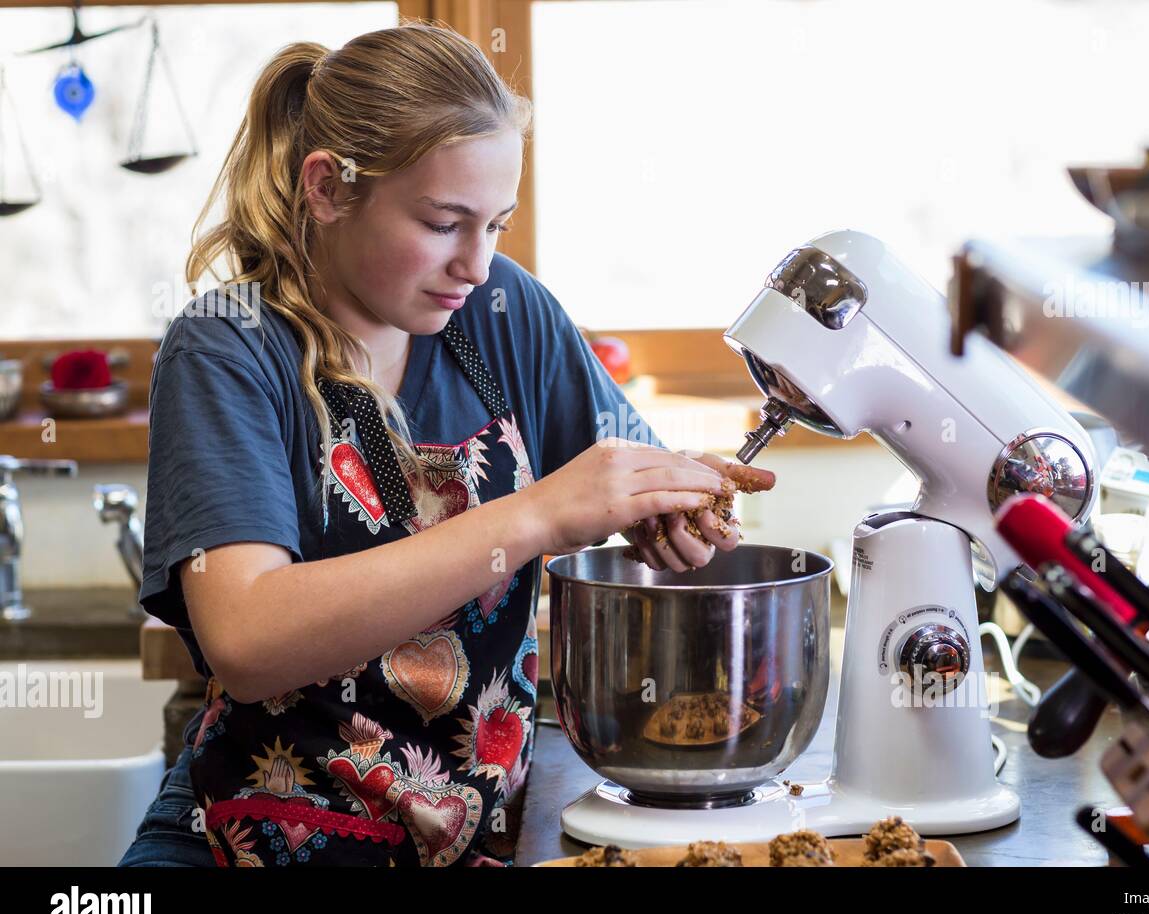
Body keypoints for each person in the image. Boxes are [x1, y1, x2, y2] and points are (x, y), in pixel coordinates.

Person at [119, 22, 773, 867]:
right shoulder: (229, 347)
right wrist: (535, 515)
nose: (476, 262)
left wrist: (665, 506)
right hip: (253, 831)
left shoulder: (505, 313)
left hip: (464, 838)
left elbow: (613, 479)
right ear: (327, 188)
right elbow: (247, 641)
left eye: (496, 223)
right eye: (442, 222)